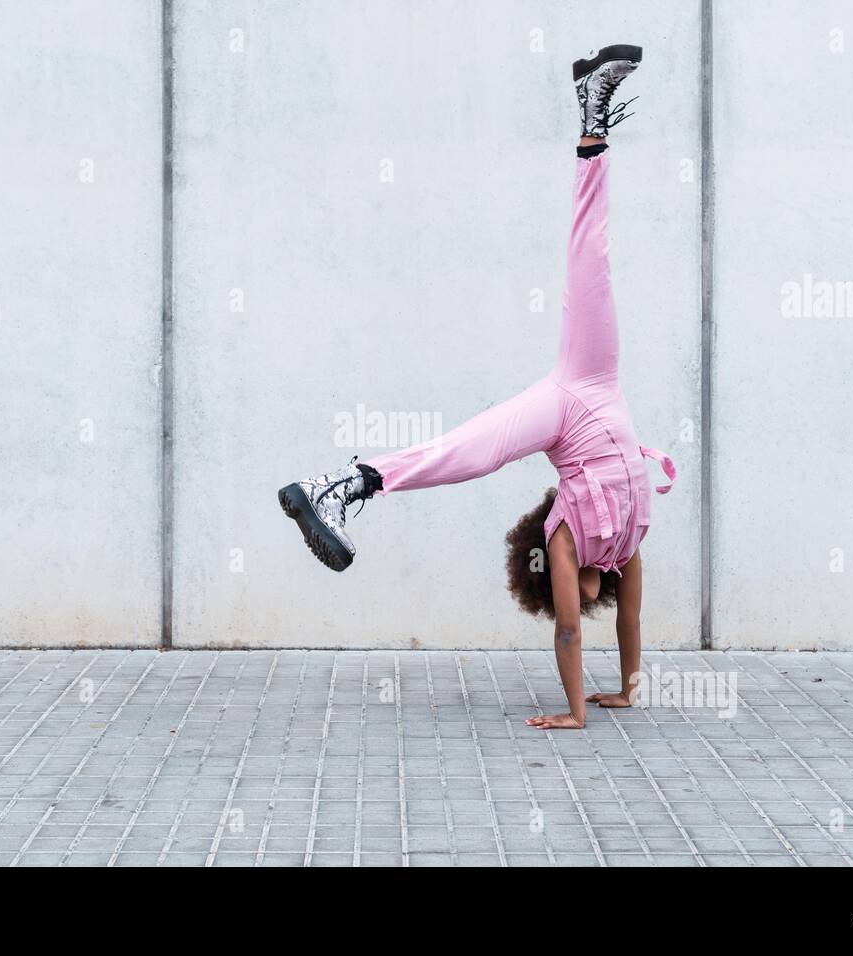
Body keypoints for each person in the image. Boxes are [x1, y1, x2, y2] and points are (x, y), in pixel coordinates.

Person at [278, 44, 674, 730]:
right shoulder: (626, 544)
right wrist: (620, 694)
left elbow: (575, 632)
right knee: (593, 259)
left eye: (564, 596)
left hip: (563, 408)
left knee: (474, 451)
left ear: (556, 592)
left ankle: (345, 483)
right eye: (577, 596)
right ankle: (594, 122)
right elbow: (628, 621)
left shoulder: (564, 538)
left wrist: (586, 708)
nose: (576, 600)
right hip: (594, 380)